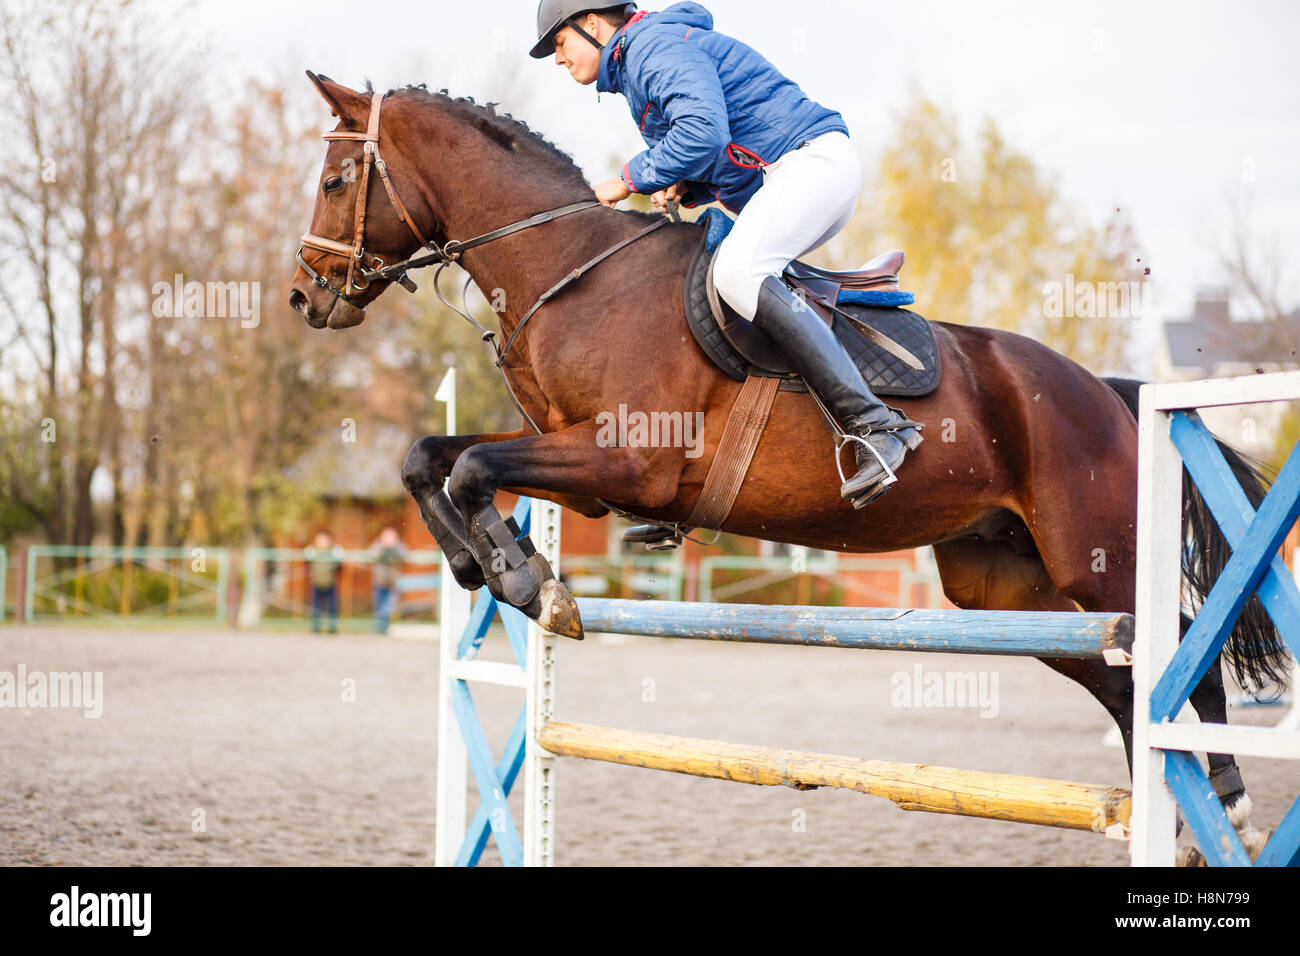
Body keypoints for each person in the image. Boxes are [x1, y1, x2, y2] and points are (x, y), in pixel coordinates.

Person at [531, 1, 922, 508]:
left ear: (592, 24)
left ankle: (876, 425)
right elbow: (718, 153)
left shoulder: (651, 47)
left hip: (810, 164)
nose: (558, 59)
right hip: (794, 174)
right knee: (716, 284)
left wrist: (626, 179)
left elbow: (704, 131)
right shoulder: (638, 62)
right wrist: (684, 185)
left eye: (559, 43)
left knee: (739, 271)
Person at [303, 531, 344, 634]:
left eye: (324, 540)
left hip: (331, 584)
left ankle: (332, 627)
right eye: (320, 540)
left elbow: (340, 567)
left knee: (332, 607)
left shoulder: (332, 553)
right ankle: (316, 627)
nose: (322, 543)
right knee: (315, 608)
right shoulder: (314, 553)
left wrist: (339, 555)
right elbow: (306, 565)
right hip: (316, 584)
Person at [369, 527, 406, 635]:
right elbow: (373, 555)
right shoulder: (377, 545)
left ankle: (384, 627)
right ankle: (379, 628)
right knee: (379, 605)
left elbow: (403, 556)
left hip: (393, 582)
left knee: (390, 606)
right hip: (379, 581)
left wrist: (394, 547)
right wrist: (384, 547)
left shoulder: (399, 546)